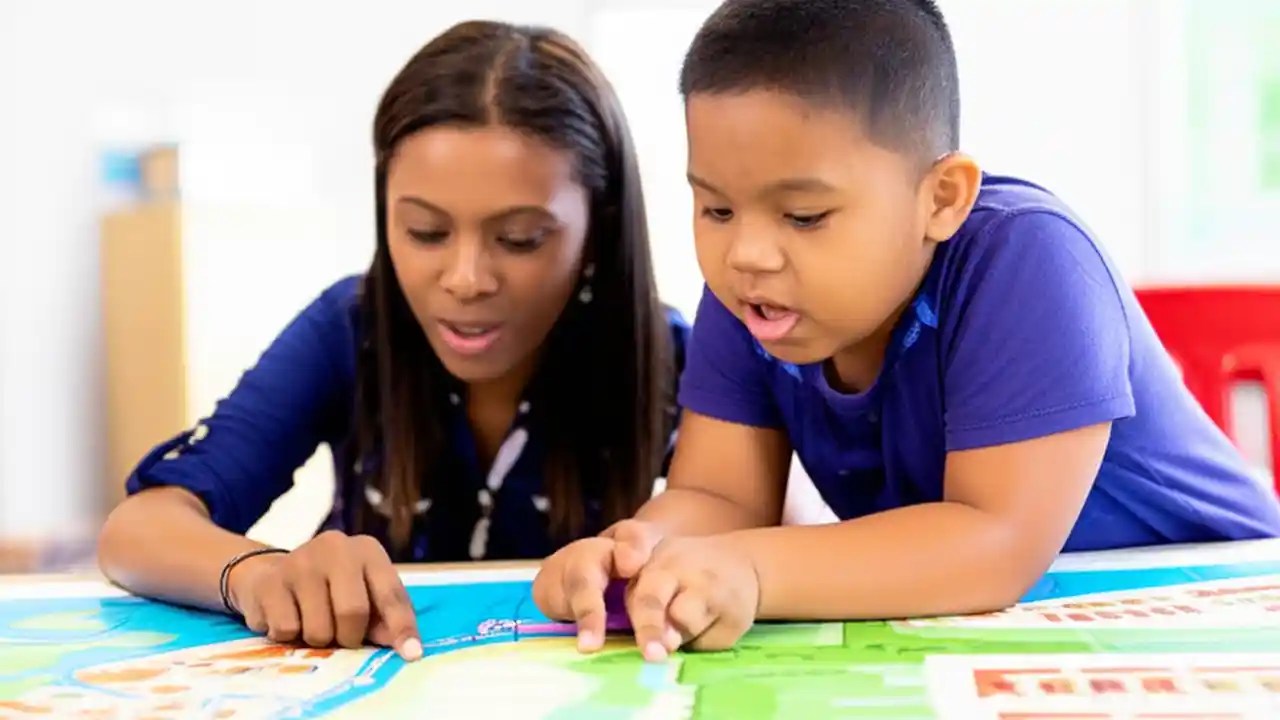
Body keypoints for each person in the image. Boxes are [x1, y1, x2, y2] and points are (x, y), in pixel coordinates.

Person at [533, 0, 1280, 661]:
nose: (747, 253)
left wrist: (753, 568)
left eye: (804, 216)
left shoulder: (1030, 258)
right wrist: (640, 552)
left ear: (941, 199)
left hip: (1218, 608)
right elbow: (718, 499)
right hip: (1005, 628)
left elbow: (993, 544)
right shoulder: (753, 292)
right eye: (717, 209)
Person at [97, 20, 688, 662]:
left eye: (519, 239)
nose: (465, 279)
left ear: (599, 226)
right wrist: (260, 574)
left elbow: (744, 538)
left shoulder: (670, 358)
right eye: (426, 232)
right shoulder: (349, 328)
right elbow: (138, 530)